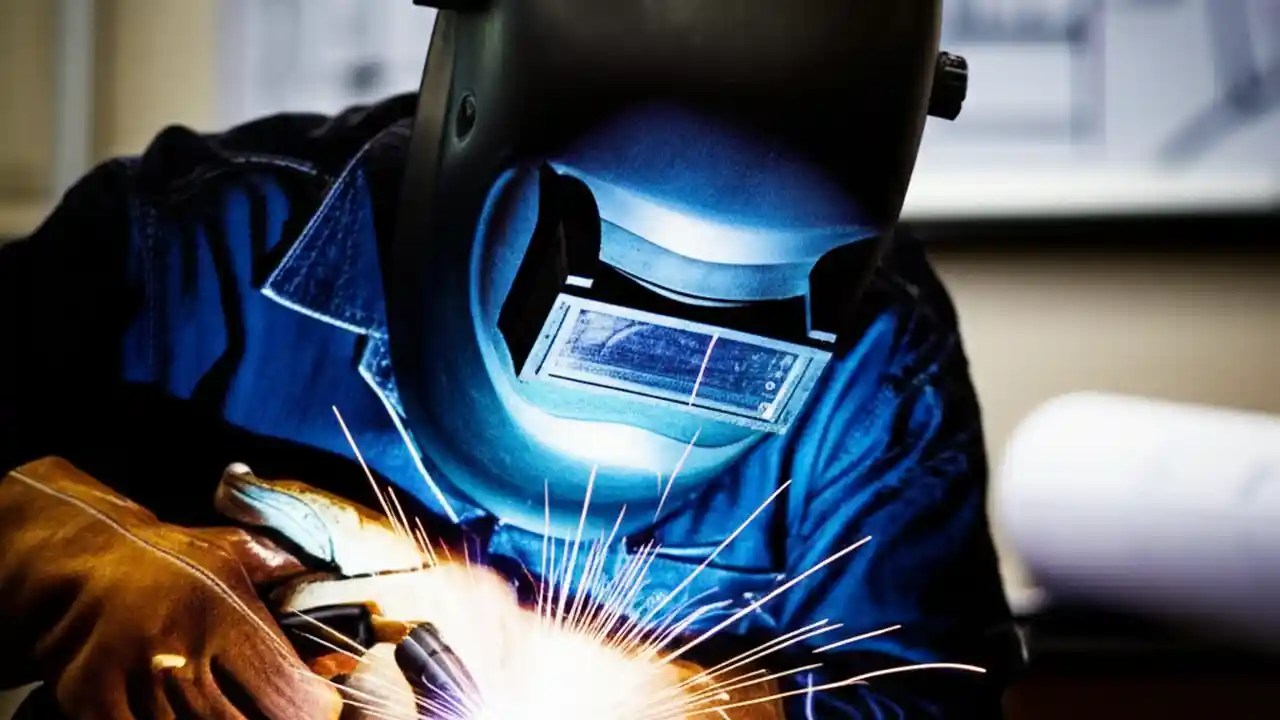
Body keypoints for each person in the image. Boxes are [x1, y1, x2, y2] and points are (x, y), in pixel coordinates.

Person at [0, 0, 1021, 717]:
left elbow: (927, 703)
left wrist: (667, 703)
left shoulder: (875, 372)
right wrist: (66, 549)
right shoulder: (195, 253)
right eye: (603, 279)